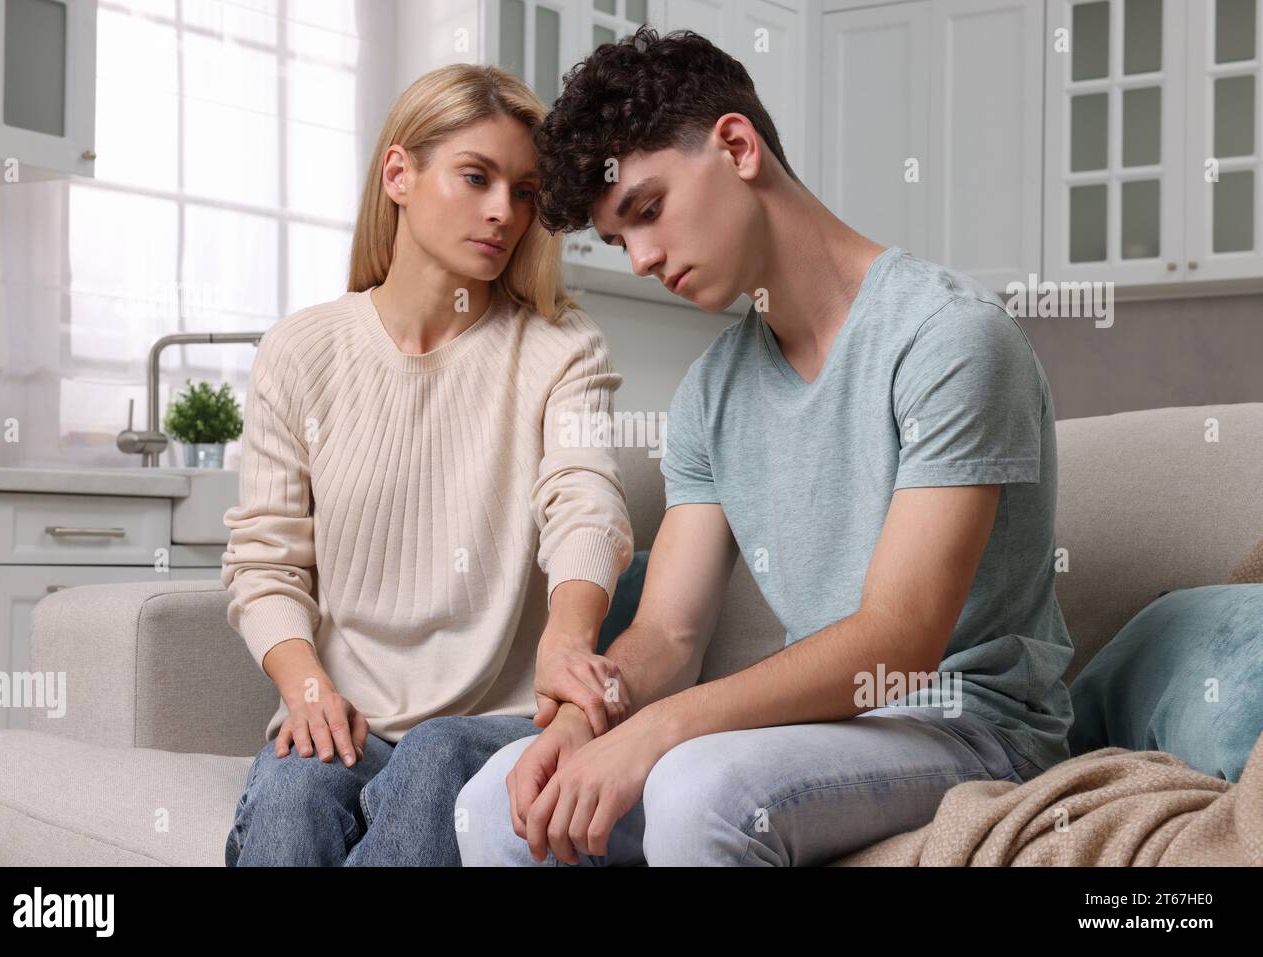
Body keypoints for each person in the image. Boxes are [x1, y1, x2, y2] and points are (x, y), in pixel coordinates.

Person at [456, 26, 1075, 867]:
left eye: (646, 210)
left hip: (969, 727)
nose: (639, 258)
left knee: (698, 791)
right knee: (496, 799)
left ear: (738, 146)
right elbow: (670, 633)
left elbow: (901, 640)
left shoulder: (948, 337)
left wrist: (661, 729)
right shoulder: (713, 390)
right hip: (824, 731)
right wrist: (581, 719)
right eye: (617, 239)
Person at [221, 63, 633, 867]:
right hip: (348, 717)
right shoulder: (303, 350)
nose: (502, 213)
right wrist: (306, 687)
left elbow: (586, 504)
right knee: (295, 793)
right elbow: (265, 560)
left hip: (497, 721)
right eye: (476, 177)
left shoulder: (560, 347)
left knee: (439, 755)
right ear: (399, 173)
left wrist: (568, 640)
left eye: (523, 192)